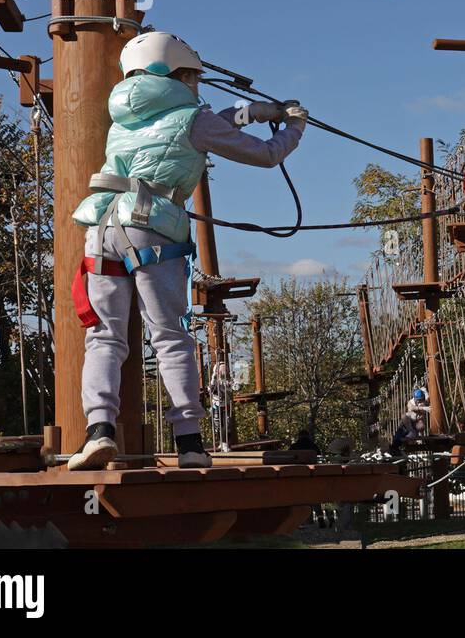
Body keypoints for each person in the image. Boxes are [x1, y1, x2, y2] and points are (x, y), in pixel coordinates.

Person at [67, 31, 307, 470]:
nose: (198, 85)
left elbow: (198, 121)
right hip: (152, 229)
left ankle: (98, 431)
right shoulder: (192, 118)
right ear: (177, 74)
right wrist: (293, 124)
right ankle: (190, 445)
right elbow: (267, 154)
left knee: (103, 338)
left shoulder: (124, 120)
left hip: (101, 230)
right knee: (171, 338)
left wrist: (254, 111)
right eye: (193, 77)